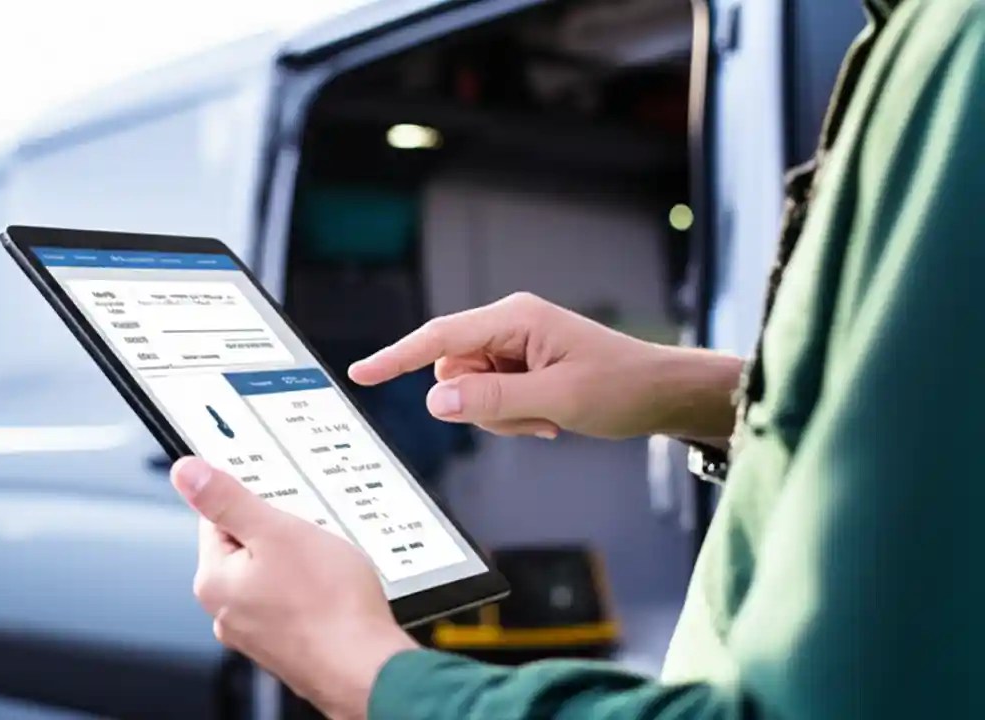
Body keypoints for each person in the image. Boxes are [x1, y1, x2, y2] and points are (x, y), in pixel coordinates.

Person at [168, 0, 985, 716]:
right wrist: (687, 391)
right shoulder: (921, 38)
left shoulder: (961, 49)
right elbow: (950, 443)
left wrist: (364, 671)